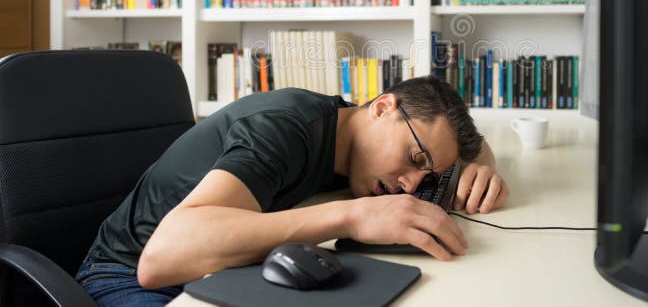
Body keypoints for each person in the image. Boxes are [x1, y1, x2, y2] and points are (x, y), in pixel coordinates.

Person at [75, 76, 509, 306]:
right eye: (415, 161)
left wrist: (479, 165)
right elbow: (159, 261)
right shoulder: (285, 129)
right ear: (382, 108)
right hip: (124, 274)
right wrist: (351, 215)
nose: (412, 186)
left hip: (217, 270)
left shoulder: (352, 137)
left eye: (427, 178)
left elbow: (464, 142)